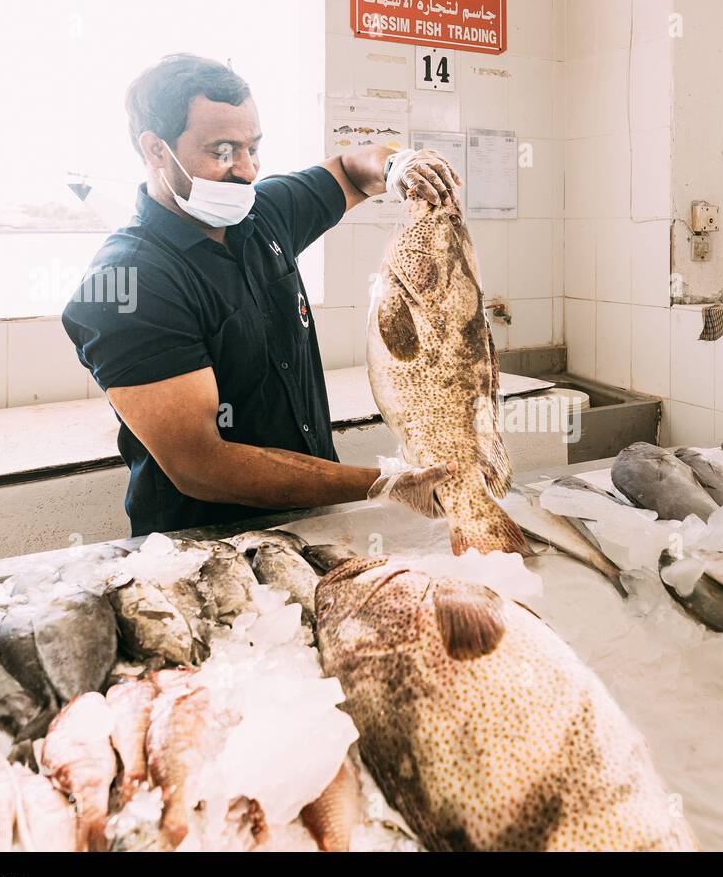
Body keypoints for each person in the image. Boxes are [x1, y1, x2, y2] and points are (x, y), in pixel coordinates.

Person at [63, 54, 461, 535]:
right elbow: (201, 464)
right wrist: (380, 485)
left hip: (314, 523)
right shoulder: (126, 284)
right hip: (204, 547)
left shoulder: (262, 215)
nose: (247, 171)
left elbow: (353, 171)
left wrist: (398, 164)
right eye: (222, 150)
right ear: (155, 150)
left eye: (254, 148)